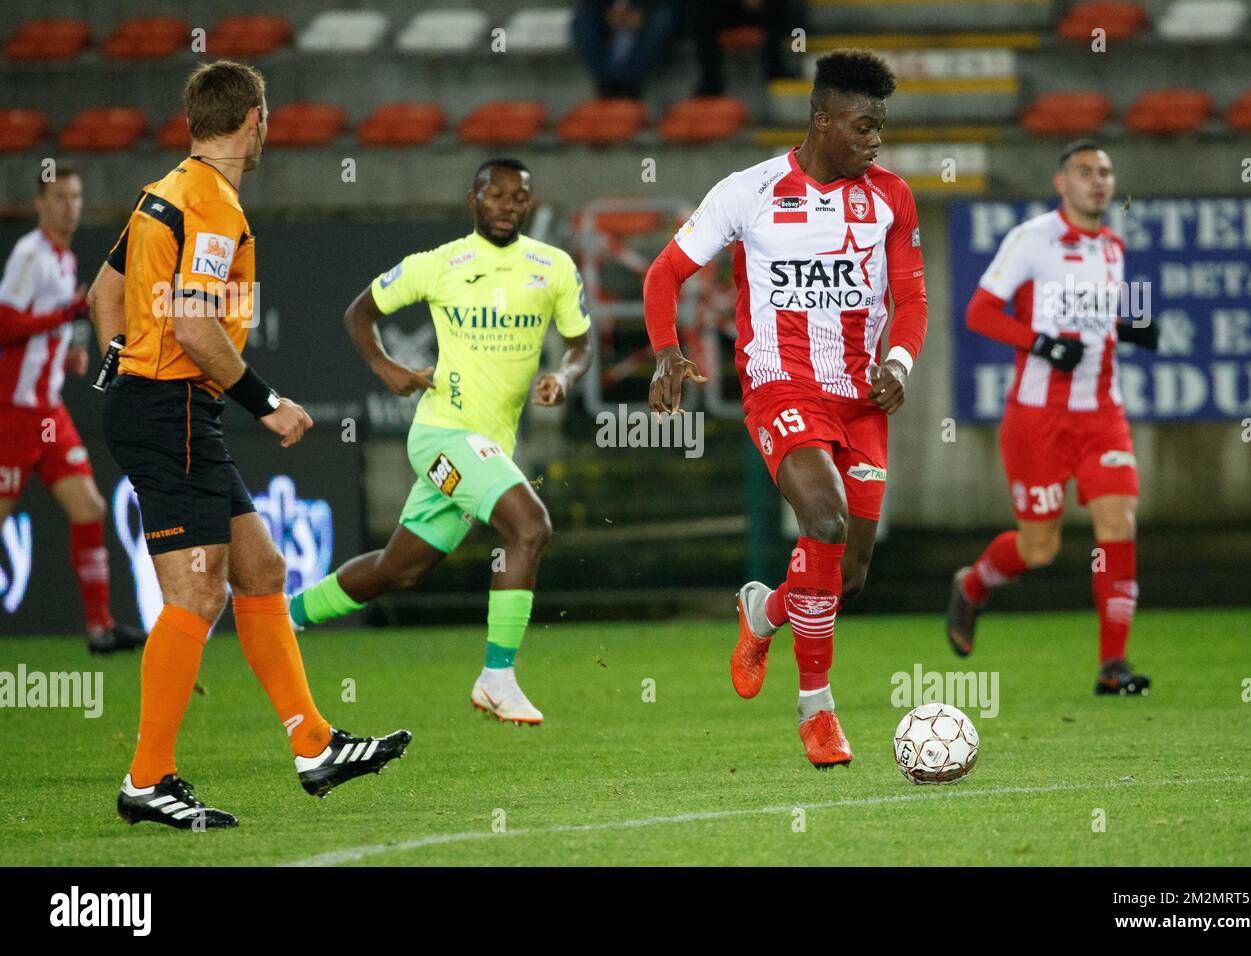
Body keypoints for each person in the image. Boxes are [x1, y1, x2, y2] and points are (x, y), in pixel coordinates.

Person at [87, 60, 410, 830]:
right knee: (198, 594)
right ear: (255, 119)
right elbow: (196, 327)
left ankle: (314, 742)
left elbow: (103, 293)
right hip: (175, 412)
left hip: (157, 404)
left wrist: (117, 367)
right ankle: (147, 777)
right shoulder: (211, 204)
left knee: (261, 568)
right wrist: (268, 403)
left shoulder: (163, 192)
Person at [643, 50, 928, 767]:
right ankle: (817, 713)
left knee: (848, 575)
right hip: (782, 387)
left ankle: (763, 611)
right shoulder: (751, 190)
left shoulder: (892, 196)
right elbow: (664, 273)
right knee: (825, 522)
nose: (875, 140)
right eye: (864, 126)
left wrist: (898, 362)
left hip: (863, 400)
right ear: (823, 120)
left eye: (880, 127)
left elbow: (912, 298)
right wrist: (664, 351)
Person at [289, 158, 592, 727]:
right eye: (495, 194)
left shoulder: (552, 267)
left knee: (396, 570)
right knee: (530, 526)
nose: (506, 204)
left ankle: (283, 616)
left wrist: (566, 377)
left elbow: (580, 344)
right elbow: (360, 313)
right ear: (472, 198)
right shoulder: (439, 265)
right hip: (443, 436)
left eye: (518, 197)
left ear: (529, 204)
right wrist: (386, 368)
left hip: (488, 449)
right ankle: (496, 678)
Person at [946, 140, 1160, 696]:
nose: (1099, 181)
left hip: (1102, 416)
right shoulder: (1032, 239)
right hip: (1037, 419)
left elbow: (1101, 316)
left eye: (1106, 172)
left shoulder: (1113, 246)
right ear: (1061, 181)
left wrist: (1131, 326)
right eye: (1086, 172)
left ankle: (1112, 667)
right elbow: (979, 312)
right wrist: (1040, 343)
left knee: (1119, 524)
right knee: (1038, 548)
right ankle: (973, 584)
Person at [0, 162, 147, 653]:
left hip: (47, 411)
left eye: (77, 197)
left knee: (89, 507)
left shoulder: (63, 260)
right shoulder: (30, 254)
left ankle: (100, 629)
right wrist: (68, 314)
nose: (70, 207)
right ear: (39, 204)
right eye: (60, 197)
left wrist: (65, 357)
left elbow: (35, 336)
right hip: (12, 412)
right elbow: (5, 323)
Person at [571, 0, 681, 99]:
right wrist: (609, 11)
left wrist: (642, 11)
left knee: (661, 20)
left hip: (651, 8)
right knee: (582, 20)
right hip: (606, 9)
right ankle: (608, 85)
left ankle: (626, 87)